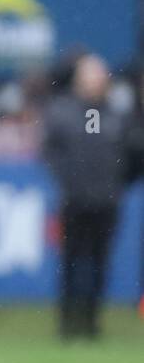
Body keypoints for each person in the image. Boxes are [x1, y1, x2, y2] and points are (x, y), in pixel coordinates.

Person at [43, 53, 129, 339]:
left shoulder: (116, 114)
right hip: (74, 201)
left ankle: (92, 324)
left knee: (100, 264)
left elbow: (130, 155)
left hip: (107, 202)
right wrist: (70, 182)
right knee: (70, 262)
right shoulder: (63, 112)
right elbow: (50, 153)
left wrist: (116, 184)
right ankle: (68, 324)